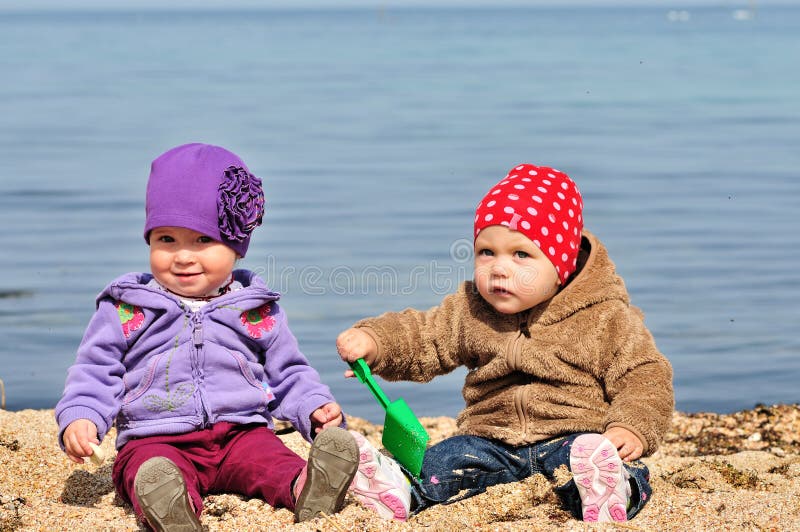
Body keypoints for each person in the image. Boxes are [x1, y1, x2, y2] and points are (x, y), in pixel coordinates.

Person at [55, 143, 399, 530]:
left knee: (272, 461)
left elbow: (287, 372)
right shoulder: (128, 307)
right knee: (147, 471)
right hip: (156, 438)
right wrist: (82, 417)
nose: (183, 256)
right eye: (166, 239)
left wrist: (314, 407)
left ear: (236, 249)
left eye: (202, 240)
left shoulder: (253, 308)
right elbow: (95, 369)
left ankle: (306, 488)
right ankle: (173, 506)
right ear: (149, 240)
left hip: (242, 432)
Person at [336, 163, 674, 522]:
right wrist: (376, 342)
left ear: (562, 263)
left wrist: (630, 427)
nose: (499, 268)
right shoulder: (471, 311)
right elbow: (425, 337)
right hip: (489, 440)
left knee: (606, 464)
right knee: (442, 461)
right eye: (486, 252)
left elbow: (644, 375)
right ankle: (398, 488)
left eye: (521, 255)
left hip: (572, 435)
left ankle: (609, 489)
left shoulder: (603, 316)